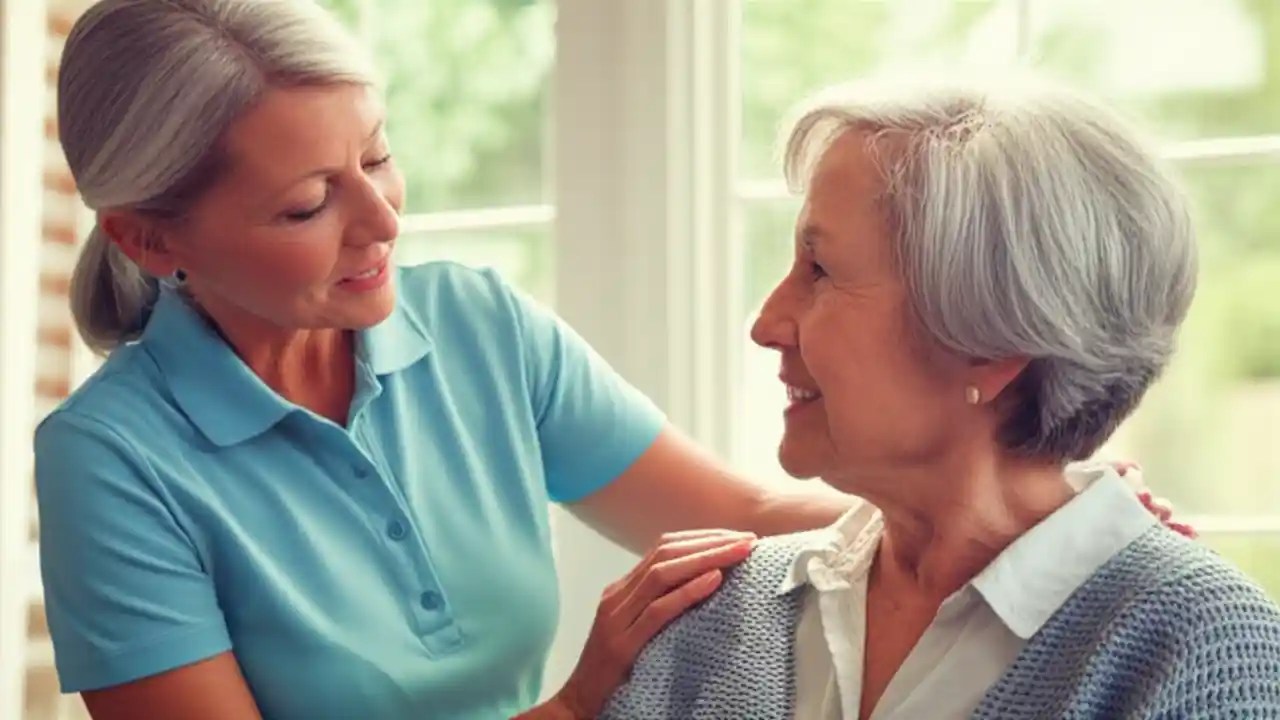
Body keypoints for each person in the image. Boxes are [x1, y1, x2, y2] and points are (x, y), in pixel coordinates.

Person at [33, 2, 855, 719]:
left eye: (378, 157)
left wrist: (957, 510)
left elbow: (738, 515)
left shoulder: (479, 323)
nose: (381, 222)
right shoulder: (110, 459)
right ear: (151, 238)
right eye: (308, 204)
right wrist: (574, 706)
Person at [602, 75, 1280, 719]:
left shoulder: (1208, 652)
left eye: (821, 271)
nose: (767, 323)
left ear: (991, 340)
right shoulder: (704, 619)